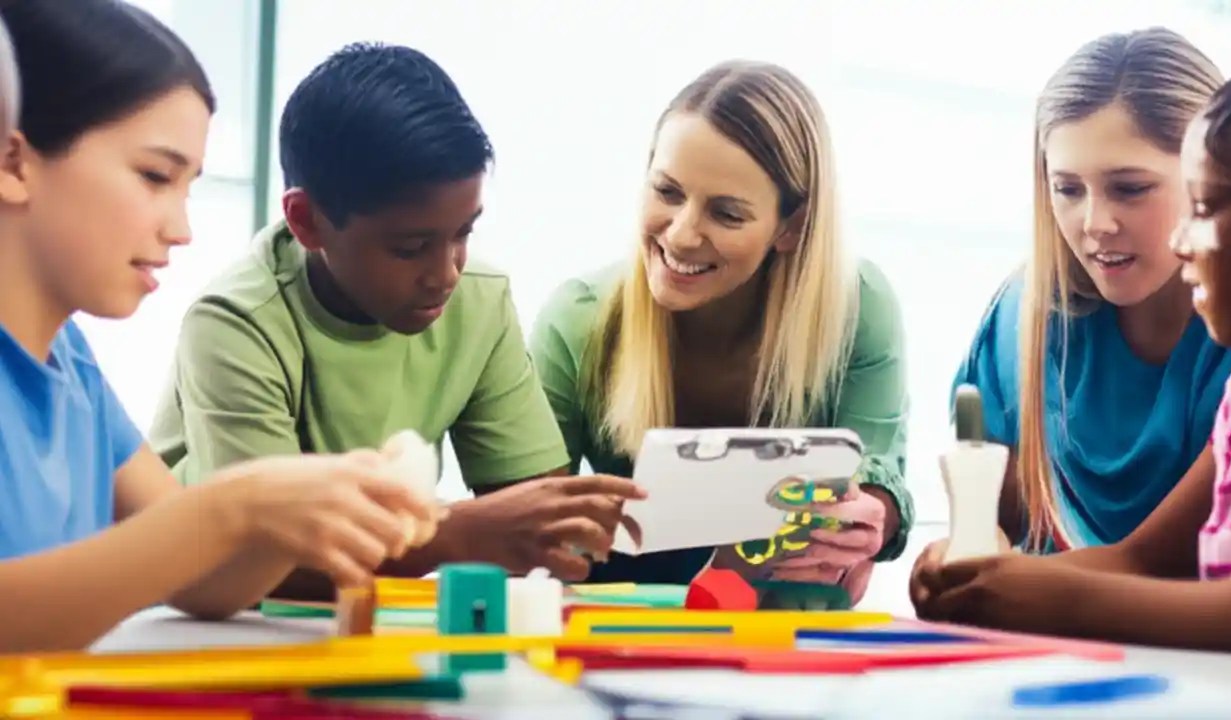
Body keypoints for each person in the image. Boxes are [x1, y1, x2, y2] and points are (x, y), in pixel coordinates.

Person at [0, 0, 441, 652]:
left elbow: (206, 583)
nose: (180, 230)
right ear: (12, 163)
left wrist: (291, 510)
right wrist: (234, 506)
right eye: (155, 177)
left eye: (188, 187)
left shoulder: (71, 365)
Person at [149, 42, 643, 599]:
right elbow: (264, 558)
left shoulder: (477, 301)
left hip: (360, 609)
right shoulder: (235, 325)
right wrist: (450, 534)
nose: (446, 273)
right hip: (206, 613)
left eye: (464, 232)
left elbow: (537, 520)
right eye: (411, 247)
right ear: (307, 221)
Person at [912, 47, 1231, 663]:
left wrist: (1059, 600)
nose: (1095, 223)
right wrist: (986, 580)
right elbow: (1142, 558)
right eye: (1066, 189)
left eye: (1205, 207)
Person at [529, 60, 913, 599]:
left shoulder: (858, 307)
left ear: (791, 226)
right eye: (666, 192)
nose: (683, 236)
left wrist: (872, 517)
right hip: (614, 616)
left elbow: (879, 473)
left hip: (786, 620)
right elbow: (527, 532)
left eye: (726, 214)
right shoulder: (579, 320)